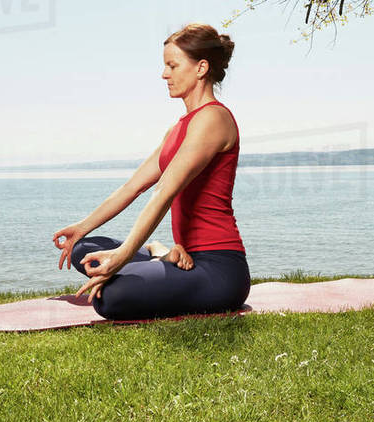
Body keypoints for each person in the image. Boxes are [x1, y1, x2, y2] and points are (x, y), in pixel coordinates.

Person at [52, 23, 249, 320]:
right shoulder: (178, 128)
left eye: (172, 65)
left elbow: (164, 192)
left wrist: (123, 256)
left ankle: (157, 259)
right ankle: (161, 255)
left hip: (218, 269)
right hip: (186, 258)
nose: (164, 74)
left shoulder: (214, 119)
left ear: (201, 68)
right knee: (84, 249)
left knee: (112, 300)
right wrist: (82, 227)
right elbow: (133, 187)